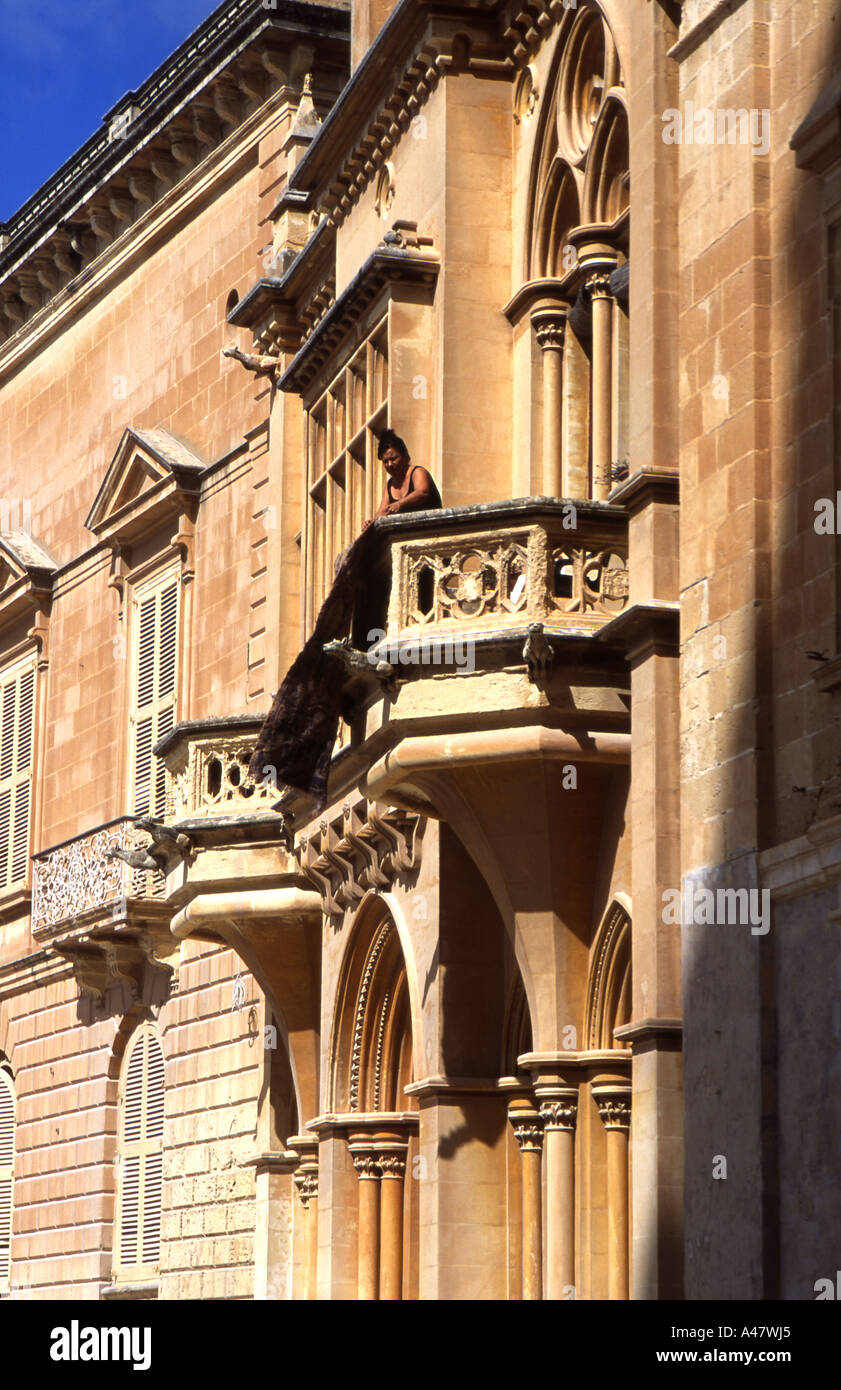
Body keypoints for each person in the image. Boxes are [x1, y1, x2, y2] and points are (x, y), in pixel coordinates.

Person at [361, 430, 442, 529]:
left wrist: (400, 504)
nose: (390, 464)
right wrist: (371, 524)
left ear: (404, 456)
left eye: (394, 459)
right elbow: (383, 511)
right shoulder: (389, 486)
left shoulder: (418, 472)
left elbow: (422, 492)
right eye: (386, 461)